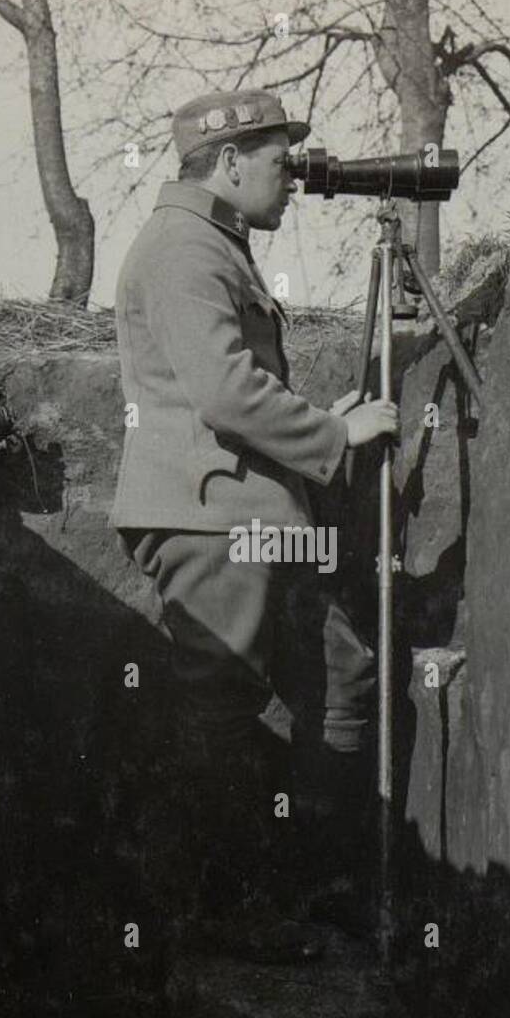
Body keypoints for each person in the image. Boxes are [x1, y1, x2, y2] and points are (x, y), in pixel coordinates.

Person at [108, 89, 398, 963]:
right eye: (278, 161)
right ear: (229, 162)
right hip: (208, 517)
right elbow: (222, 391)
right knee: (220, 711)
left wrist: (321, 419)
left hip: (251, 513)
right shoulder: (182, 248)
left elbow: (230, 385)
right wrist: (333, 436)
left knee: (341, 673)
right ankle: (226, 916)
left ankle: (321, 888)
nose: (292, 178)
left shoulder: (209, 243)